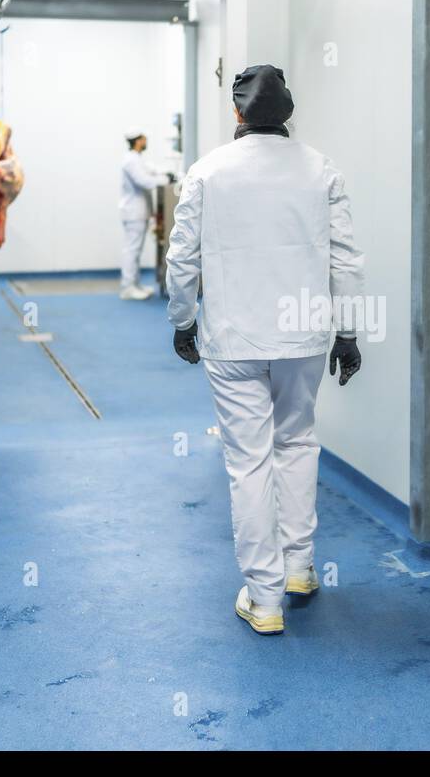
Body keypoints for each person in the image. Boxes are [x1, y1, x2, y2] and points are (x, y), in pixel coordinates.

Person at [165, 64, 366, 636]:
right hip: (303, 335)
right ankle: (300, 566)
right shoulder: (321, 169)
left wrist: (183, 320)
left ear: (237, 112)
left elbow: (183, 257)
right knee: (298, 442)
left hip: (233, 337)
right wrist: (347, 331)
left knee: (248, 460)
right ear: (288, 114)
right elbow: (345, 257)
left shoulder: (207, 172)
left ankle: (265, 597)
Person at [118, 128, 171, 300]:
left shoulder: (137, 159)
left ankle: (135, 284)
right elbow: (144, 181)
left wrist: (166, 173)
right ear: (138, 140)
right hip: (133, 212)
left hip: (138, 212)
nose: (146, 141)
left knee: (135, 250)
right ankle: (127, 287)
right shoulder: (130, 161)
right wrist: (166, 180)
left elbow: (152, 169)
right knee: (132, 250)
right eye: (144, 138)